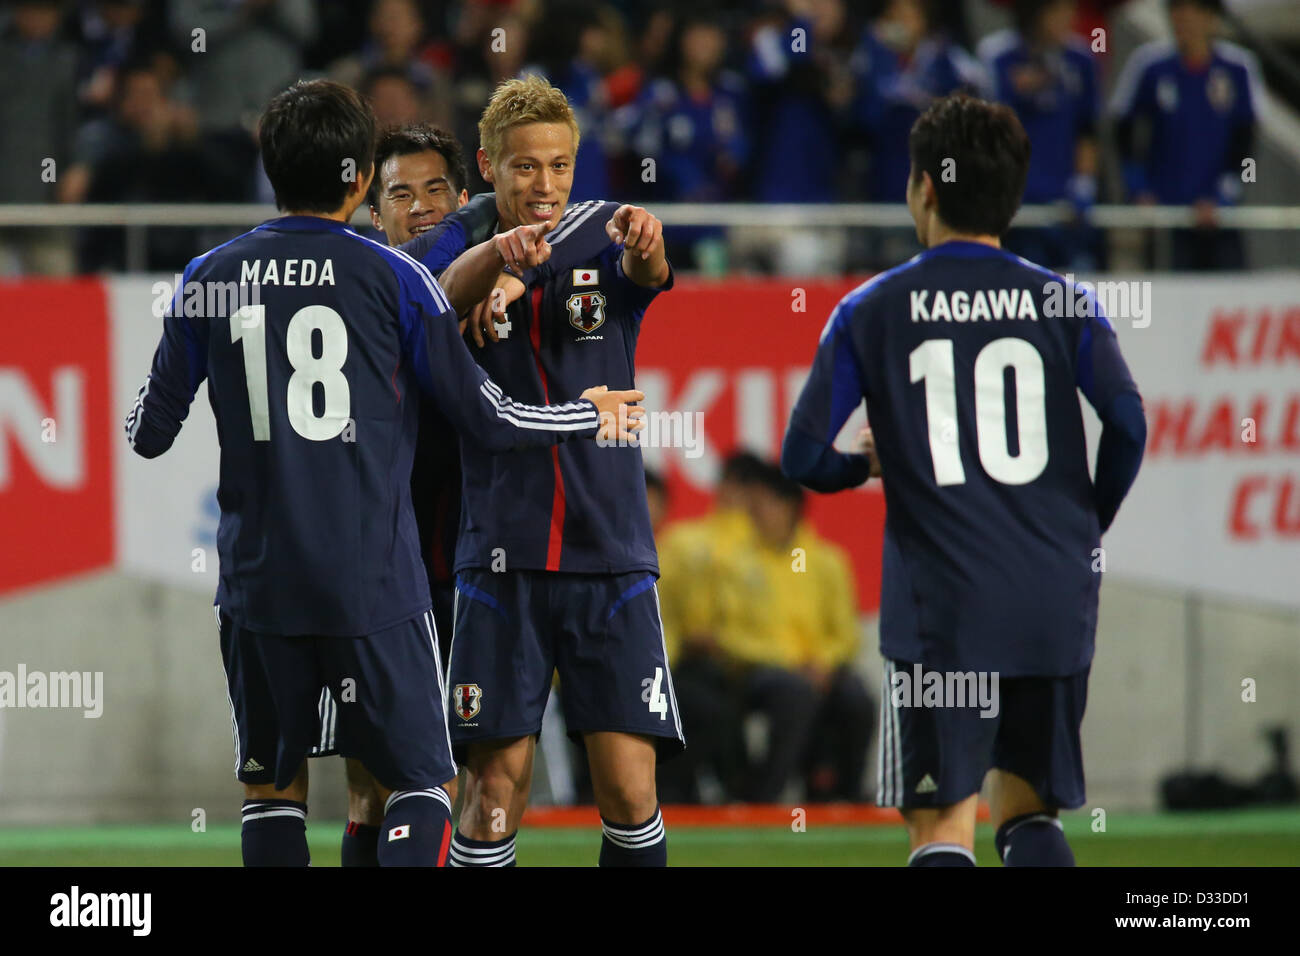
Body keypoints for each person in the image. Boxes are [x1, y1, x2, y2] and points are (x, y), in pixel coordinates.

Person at [123, 78, 643, 867]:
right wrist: (587, 410)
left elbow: (149, 434)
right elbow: (489, 418)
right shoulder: (396, 279)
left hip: (260, 582)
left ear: (270, 170)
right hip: (376, 581)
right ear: (362, 180)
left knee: (272, 792)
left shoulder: (208, 277)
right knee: (421, 786)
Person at [783, 93, 1146, 865]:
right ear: (1013, 194)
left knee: (943, 826)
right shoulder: (1065, 299)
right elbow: (1129, 423)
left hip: (941, 609)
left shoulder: (869, 309)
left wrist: (868, 464)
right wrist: (1085, 526)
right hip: (1050, 596)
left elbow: (803, 456)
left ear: (924, 188)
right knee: (1030, 816)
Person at [405, 74, 680, 867]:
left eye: (560, 165)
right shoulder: (453, 246)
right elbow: (421, 295)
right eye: (526, 166)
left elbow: (644, 269)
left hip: (610, 552)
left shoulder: (602, 230)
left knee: (629, 788)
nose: (545, 184)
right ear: (488, 167)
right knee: (493, 792)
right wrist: (495, 267)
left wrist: (651, 250)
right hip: (501, 554)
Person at [307, 122, 472, 867]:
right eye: (400, 194)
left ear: (462, 195)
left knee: (469, 777)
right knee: (371, 778)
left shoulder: (502, 285)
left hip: (472, 561)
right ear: (376, 217)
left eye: (438, 190)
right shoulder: (373, 286)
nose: (422, 206)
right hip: (376, 565)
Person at [1109, 0, 1261, 271]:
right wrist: (1138, 189)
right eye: (1176, 12)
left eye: (1192, 12)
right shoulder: (1150, 66)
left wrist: (1226, 195)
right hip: (1167, 217)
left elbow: (1247, 146)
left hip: (1219, 218)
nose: (1183, 20)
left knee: (1226, 292)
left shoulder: (1238, 68)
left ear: (1211, 18)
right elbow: (1123, 133)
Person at [979, 0, 1101, 270]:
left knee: (1070, 296)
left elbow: (1087, 130)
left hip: (1066, 207)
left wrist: (1084, 183)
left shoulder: (1081, 61)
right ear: (1035, 12)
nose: (1069, 17)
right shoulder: (998, 57)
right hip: (1016, 208)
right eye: (1058, 9)